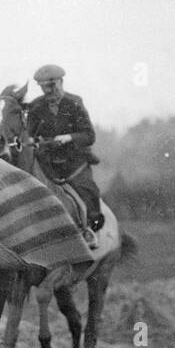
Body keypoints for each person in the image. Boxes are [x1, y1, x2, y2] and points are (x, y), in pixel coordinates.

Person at [24, 64, 105, 236]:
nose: (50, 91)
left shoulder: (75, 103)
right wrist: (32, 141)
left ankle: (91, 230)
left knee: (89, 191)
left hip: (74, 164)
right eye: (45, 87)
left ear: (61, 82)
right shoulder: (35, 107)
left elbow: (89, 136)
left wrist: (69, 137)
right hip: (47, 166)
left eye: (53, 86)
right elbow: (29, 135)